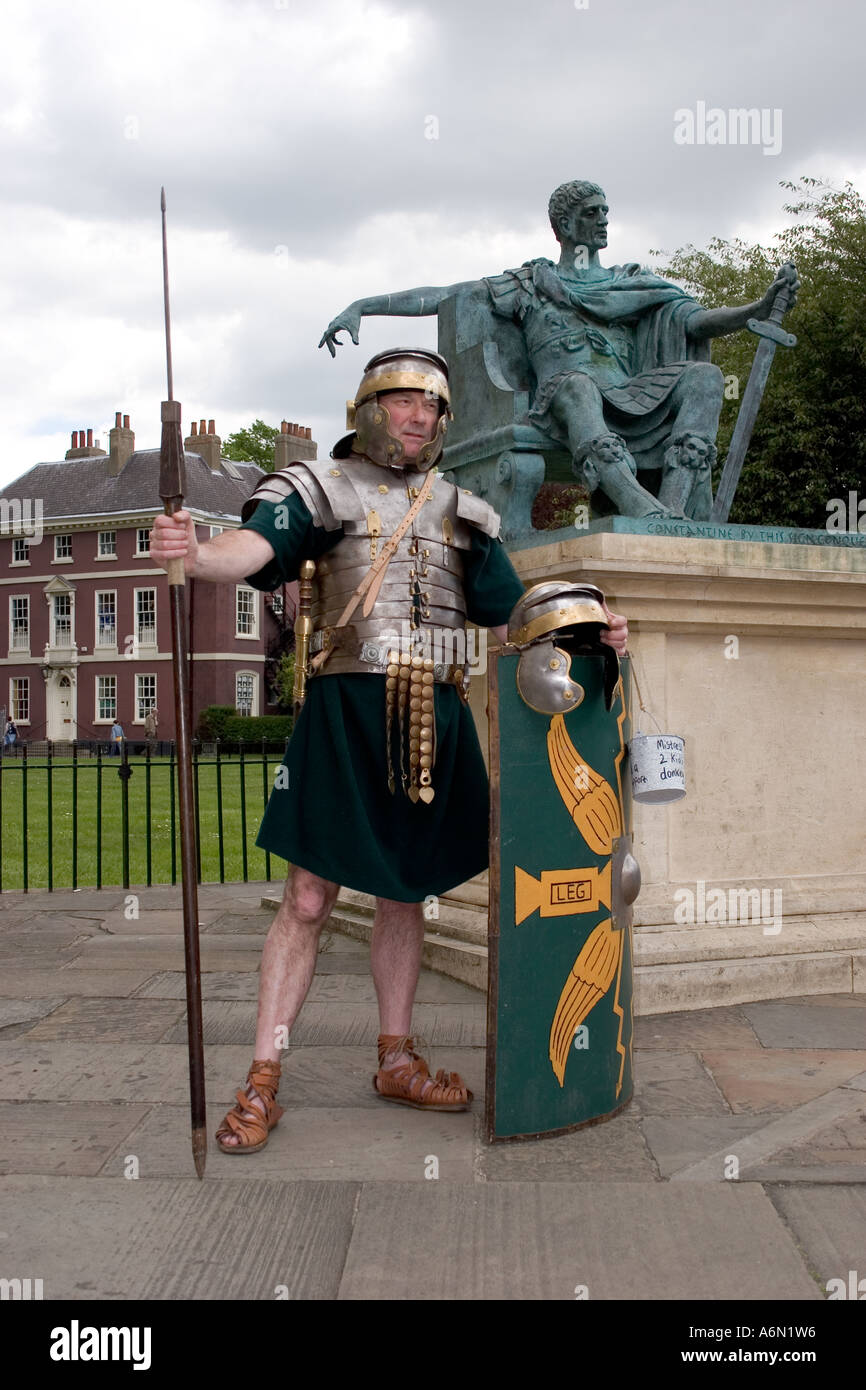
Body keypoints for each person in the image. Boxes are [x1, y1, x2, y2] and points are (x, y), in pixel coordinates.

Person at [150, 347, 628, 1155]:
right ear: (370, 409)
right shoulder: (318, 487)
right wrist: (194, 554)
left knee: (406, 893)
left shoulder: (463, 511)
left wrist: (586, 632)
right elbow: (255, 550)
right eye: (405, 401)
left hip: (434, 714)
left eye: (434, 407)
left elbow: (510, 619)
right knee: (308, 898)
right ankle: (265, 1074)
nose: (421, 417)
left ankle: (395, 1059)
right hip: (347, 708)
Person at [319, 179, 799, 521]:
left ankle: (670, 514)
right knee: (577, 385)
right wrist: (365, 305)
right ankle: (634, 502)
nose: (603, 221)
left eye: (606, 212)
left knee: (704, 377)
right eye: (592, 213)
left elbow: (693, 319)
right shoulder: (530, 283)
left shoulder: (628, 283)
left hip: (631, 398)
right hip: (559, 402)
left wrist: (756, 308)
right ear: (564, 225)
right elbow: (446, 295)